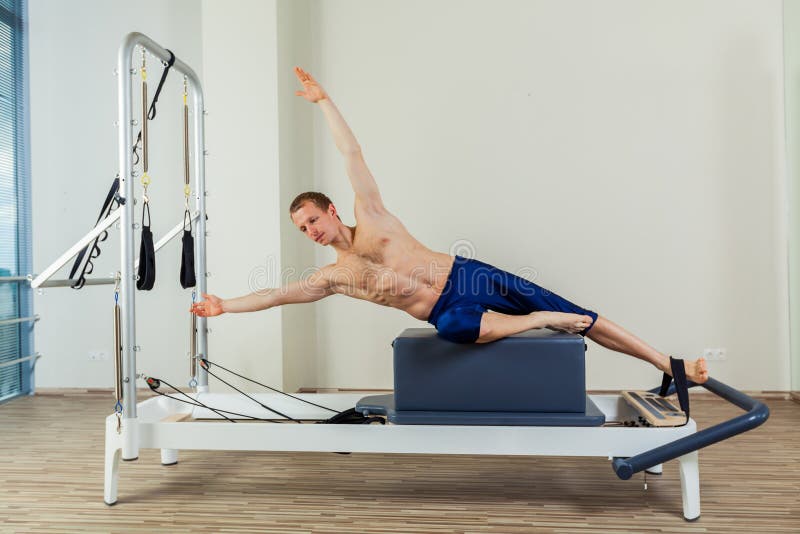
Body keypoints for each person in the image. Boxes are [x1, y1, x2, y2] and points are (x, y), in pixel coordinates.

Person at [191, 67, 709, 384]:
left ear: (330, 210)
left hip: (467, 277)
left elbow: (351, 152)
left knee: (582, 317)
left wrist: (325, 102)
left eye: (311, 220)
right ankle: (535, 320)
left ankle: (670, 364)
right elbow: (275, 296)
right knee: (454, 326)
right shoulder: (335, 277)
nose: (311, 232)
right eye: (301, 231)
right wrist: (225, 306)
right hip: (449, 311)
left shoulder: (371, 213)